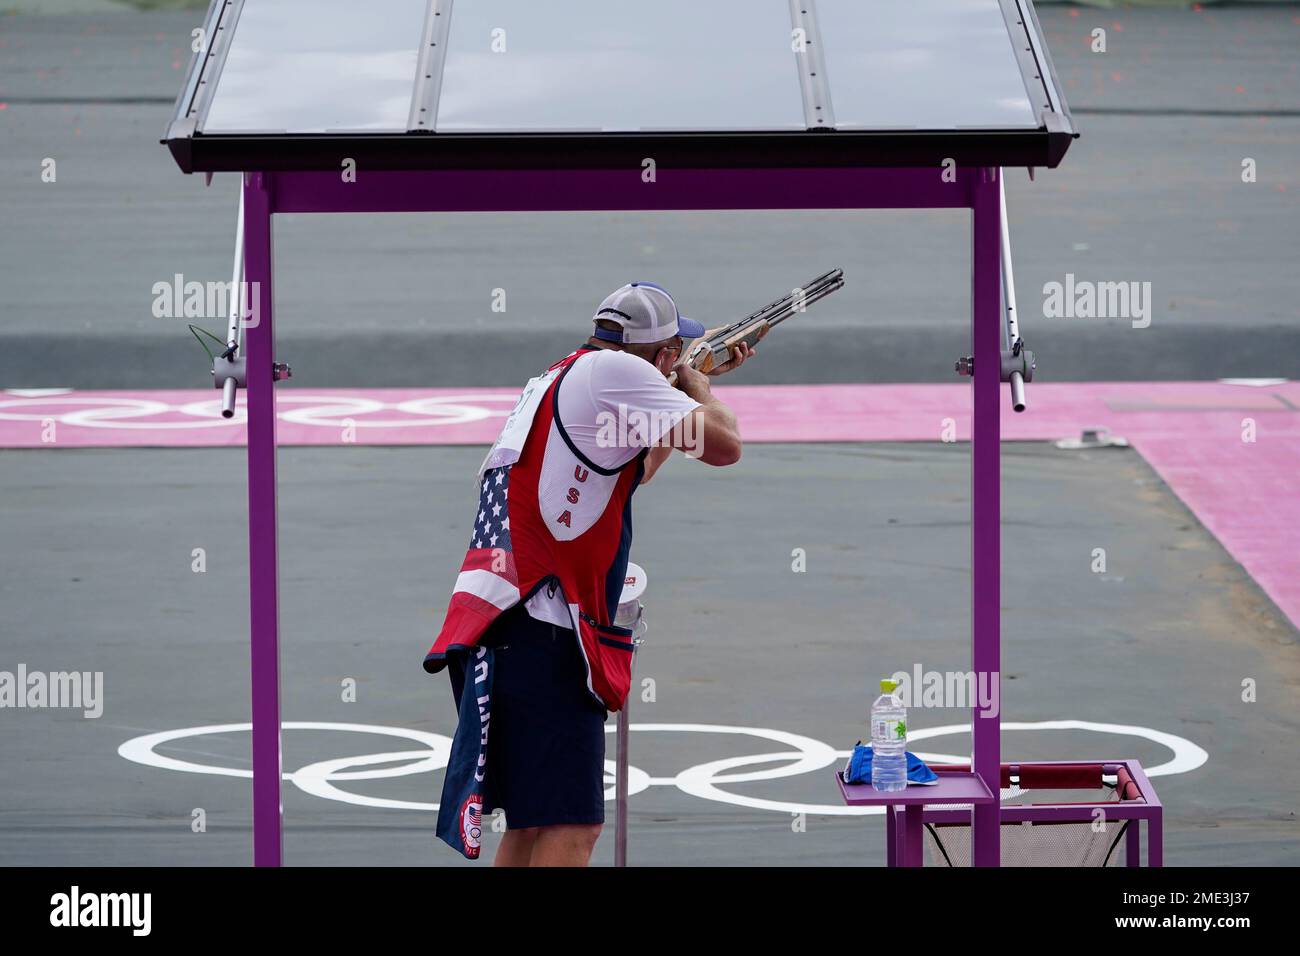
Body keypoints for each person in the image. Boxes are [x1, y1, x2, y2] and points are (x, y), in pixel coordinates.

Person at [424, 281, 752, 866]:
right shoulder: (614, 375)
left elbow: (637, 469)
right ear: (664, 356)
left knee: (532, 822)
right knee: (575, 825)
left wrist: (678, 396)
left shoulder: (568, 373)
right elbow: (724, 444)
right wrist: (698, 391)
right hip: (543, 628)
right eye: (676, 354)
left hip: (508, 619)